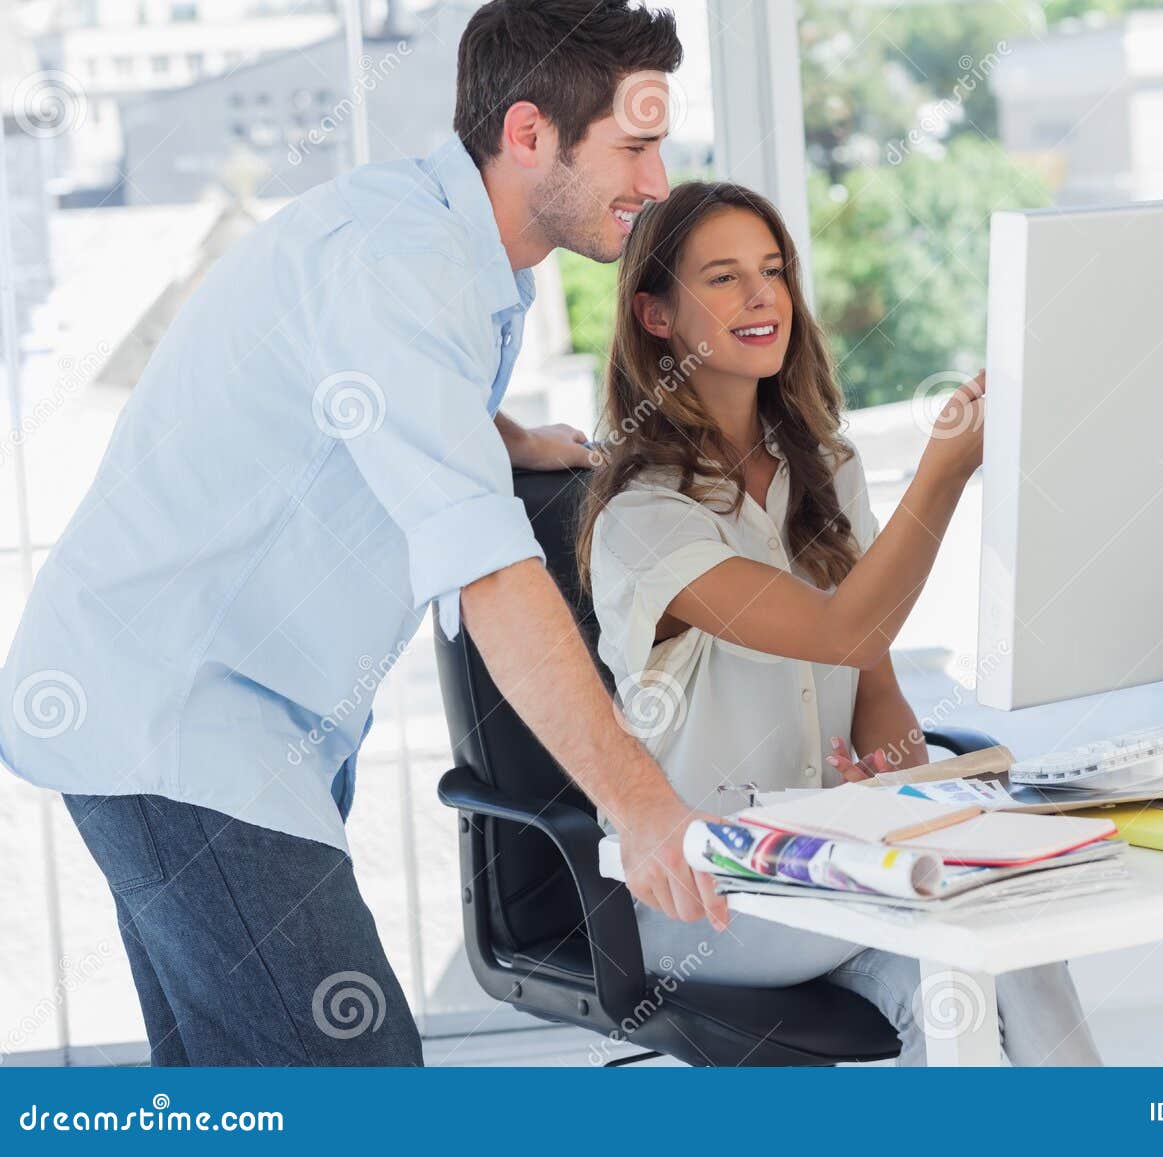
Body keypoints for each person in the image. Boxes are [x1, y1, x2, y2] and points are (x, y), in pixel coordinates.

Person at [0, 0, 733, 1067]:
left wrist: (500, 435)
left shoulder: (458, 252)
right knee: (357, 1079)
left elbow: (352, 392)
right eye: (634, 145)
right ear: (529, 135)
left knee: (232, 1089)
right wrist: (642, 805)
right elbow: (487, 572)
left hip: (236, 720)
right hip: (172, 717)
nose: (659, 182)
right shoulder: (397, 257)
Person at [577, 182, 1102, 1066]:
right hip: (708, 895)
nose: (762, 296)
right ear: (656, 316)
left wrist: (894, 780)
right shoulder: (644, 515)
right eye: (724, 277)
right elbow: (840, 632)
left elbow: (875, 681)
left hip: (835, 865)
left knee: (978, 961)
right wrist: (944, 470)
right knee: (961, 932)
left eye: (774, 271)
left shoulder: (824, 468)